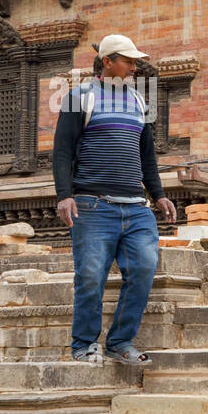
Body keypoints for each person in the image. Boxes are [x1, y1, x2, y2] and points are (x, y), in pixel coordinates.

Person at [52, 35, 177, 364]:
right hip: (93, 207)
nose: (135, 67)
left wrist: (159, 194)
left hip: (137, 208)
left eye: (135, 62)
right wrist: (64, 195)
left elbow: (146, 156)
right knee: (91, 275)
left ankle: (120, 342)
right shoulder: (79, 98)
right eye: (128, 61)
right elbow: (62, 152)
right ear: (107, 62)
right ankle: (84, 345)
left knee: (144, 268)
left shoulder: (138, 102)